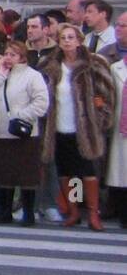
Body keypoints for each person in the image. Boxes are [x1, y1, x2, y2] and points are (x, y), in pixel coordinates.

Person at [39, 23, 115, 230]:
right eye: (63, 38)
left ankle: (93, 212)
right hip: (59, 126)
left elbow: (106, 93)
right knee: (67, 171)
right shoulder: (51, 65)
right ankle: (73, 211)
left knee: (89, 170)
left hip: (85, 127)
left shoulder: (93, 64)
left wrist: (100, 117)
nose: (67, 41)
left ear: (79, 40)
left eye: (71, 37)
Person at [0, 39, 50, 226]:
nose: (8, 58)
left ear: (22, 57)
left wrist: (21, 115)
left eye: (13, 55)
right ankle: (5, 210)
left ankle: (28, 212)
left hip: (23, 133)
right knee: (5, 174)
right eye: (6, 54)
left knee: (26, 174)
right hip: (1, 132)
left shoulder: (32, 76)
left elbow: (41, 102)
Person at [105, 37, 127, 228]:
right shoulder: (116, 68)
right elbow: (106, 96)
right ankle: (75, 203)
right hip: (120, 126)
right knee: (120, 172)